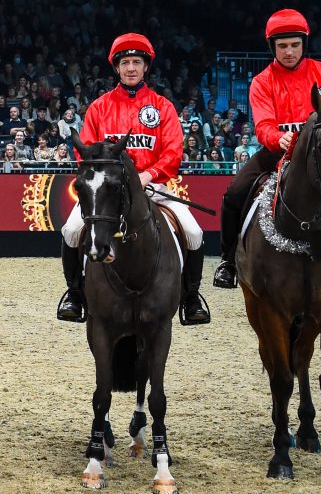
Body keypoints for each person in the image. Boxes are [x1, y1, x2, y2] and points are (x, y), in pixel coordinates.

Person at [212, 9, 321, 294]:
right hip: (278, 153)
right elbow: (263, 125)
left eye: (294, 45)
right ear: (273, 47)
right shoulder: (262, 81)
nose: (289, 51)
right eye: (282, 46)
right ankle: (228, 262)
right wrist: (280, 138)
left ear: (303, 44)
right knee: (234, 194)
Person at [56, 33, 210, 325]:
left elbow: (174, 151)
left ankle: (191, 298)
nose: (130, 68)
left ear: (145, 67)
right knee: (71, 229)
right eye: (125, 63)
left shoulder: (162, 107)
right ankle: (74, 294)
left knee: (194, 232)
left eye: (136, 62)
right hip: (107, 192)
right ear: (116, 68)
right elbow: (85, 151)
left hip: (153, 186)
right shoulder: (99, 107)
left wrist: (149, 175)